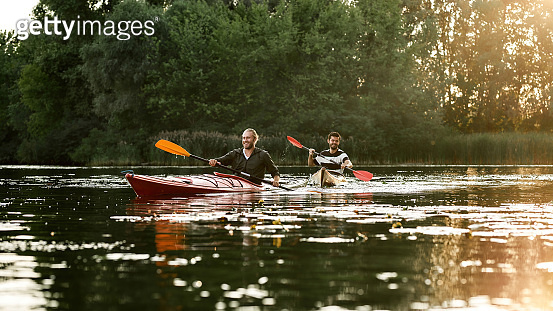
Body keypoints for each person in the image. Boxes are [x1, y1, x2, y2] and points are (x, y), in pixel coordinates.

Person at [208, 128, 280, 187]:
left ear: (254, 140)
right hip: (235, 185)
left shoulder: (263, 155)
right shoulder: (235, 153)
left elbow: (275, 172)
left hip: (254, 186)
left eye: (248, 138)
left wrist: (276, 180)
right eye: (243, 138)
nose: (245, 140)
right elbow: (220, 161)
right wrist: (214, 162)